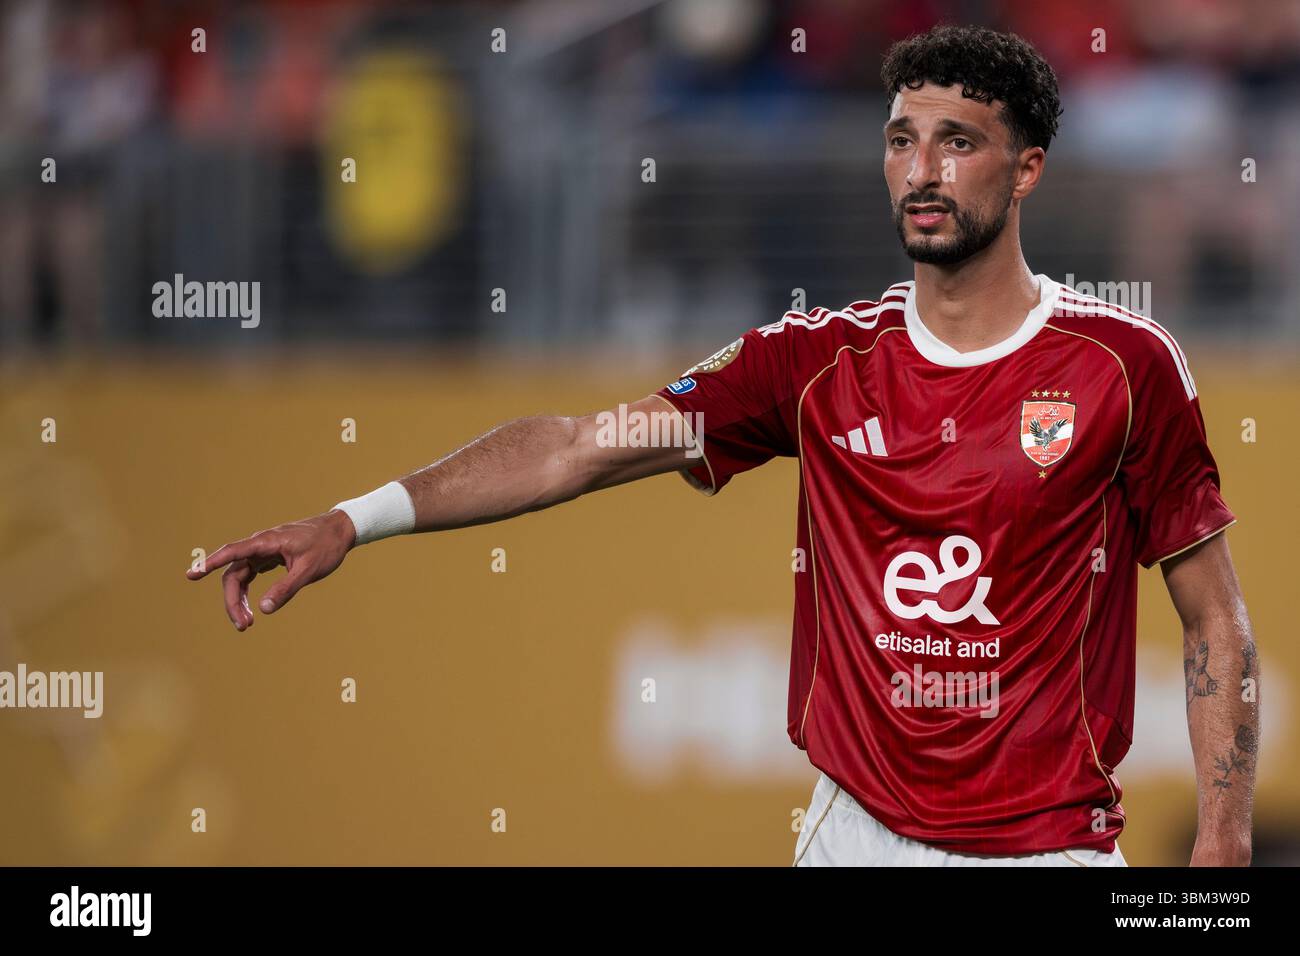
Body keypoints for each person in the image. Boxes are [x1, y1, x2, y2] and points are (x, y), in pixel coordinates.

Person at [188, 25, 1257, 867]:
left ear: (1025, 170)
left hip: (1051, 846)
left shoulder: (1124, 365)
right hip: (853, 839)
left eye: (957, 143)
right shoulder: (813, 362)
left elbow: (1213, 616)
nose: (921, 171)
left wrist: (1220, 834)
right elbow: (573, 447)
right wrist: (352, 518)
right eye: (900, 139)